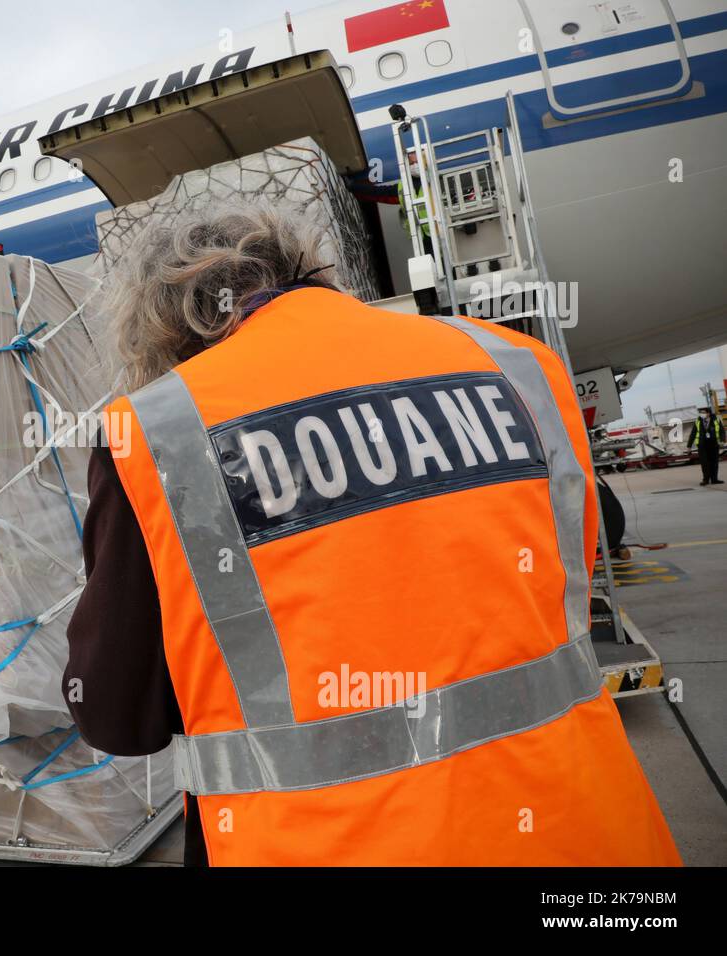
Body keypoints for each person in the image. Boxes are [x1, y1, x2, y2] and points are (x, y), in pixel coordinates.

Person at [63, 204, 680, 866]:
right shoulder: (515, 363)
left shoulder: (161, 431)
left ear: (167, 326)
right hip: (585, 830)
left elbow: (117, 715)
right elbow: (568, 580)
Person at [687, 406, 724, 485]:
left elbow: (722, 431)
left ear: (708, 413)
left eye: (703, 412)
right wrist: (689, 446)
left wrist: (722, 440)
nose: (701, 414)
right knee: (704, 463)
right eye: (701, 413)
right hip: (702, 445)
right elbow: (693, 433)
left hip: (713, 444)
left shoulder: (716, 420)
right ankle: (705, 480)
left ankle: (714, 479)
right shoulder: (698, 421)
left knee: (714, 463)